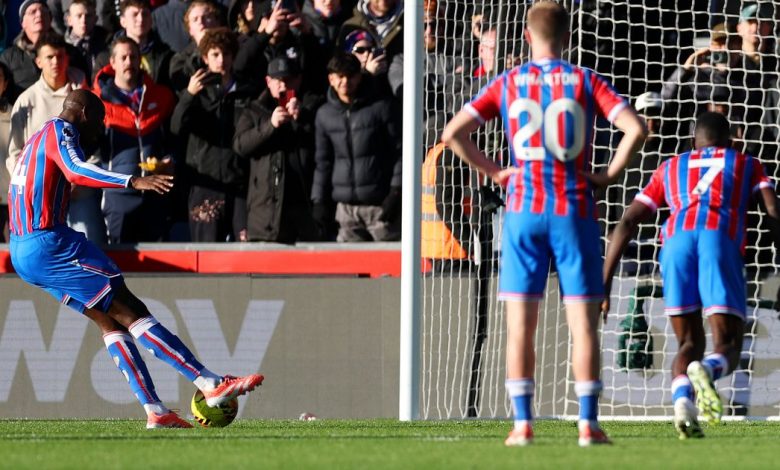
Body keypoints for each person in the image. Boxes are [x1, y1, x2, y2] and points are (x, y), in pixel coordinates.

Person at [441, 1, 647, 446]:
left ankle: (522, 424)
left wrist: (496, 172)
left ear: (527, 37)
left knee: (520, 323)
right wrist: (608, 175)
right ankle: (588, 424)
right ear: (568, 38)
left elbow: (452, 134)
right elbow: (636, 128)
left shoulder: (508, 81)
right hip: (574, 209)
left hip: (523, 211)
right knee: (583, 324)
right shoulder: (585, 80)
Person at [7, 89, 264, 428]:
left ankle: (155, 410)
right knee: (131, 309)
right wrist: (133, 180)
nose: (100, 129)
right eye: (99, 121)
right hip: (48, 241)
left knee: (109, 320)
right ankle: (210, 383)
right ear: (84, 114)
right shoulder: (61, 130)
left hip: (22, 248)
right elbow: (75, 170)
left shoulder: (38, 136)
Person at [602, 112, 780, 439]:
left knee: (688, 342)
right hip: (717, 239)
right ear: (731, 141)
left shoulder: (669, 166)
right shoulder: (745, 162)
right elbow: (772, 212)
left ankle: (683, 403)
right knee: (728, 344)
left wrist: (605, 281)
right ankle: (708, 369)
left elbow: (627, 222)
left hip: (675, 245)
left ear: (690, 141)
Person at [171, 28, 253, 242]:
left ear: (233, 56)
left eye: (226, 54)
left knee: (247, 249)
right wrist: (189, 95)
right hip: (205, 183)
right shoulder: (197, 91)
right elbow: (176, 127)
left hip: (239, 183)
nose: (221, 60)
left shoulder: (247, 91)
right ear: (205, 58)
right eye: (215, 54)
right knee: (206, 251)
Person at [94, 37, 176, 243]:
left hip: (155, 193)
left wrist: (170, 160)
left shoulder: (161, 97)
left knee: (159, 260)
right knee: (119, 258)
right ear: (112, 63)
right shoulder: (98, 101)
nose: (128, 62)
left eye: (133, 57)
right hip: (118, 194)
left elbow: (174, 138)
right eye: (123, 57)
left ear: (140, 60)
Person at [313, 52, 401, 242]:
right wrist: (318, 200)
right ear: (331, 79)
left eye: (350, 75)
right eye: (340, 76)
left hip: (380, 206)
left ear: (359, 76)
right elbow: (323, 162)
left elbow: (399, 152)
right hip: (345, 210)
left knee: (389, 259)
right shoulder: (324, 114)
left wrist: (396, 192)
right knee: (348, 261)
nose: (345, 81)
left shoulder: (381, 106)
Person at [234, 56, 323, 243]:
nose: (283, 86)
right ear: (268, 81)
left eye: (288, 80)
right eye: (277, 80)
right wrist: (270, 125)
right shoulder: (254, 110)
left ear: (298, 80)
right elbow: (240, 146)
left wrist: (303, 119)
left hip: (302, 210)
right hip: (264, 214)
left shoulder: (313, 108)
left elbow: (323, 148)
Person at [1, 0, 55, 94]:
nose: (39, 14)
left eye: (43, 11)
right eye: (32, 12)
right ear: (22, 23)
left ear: (50, 19)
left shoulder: (68, 52)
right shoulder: (8, 57)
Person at [64, 0, 111, 82]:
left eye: (88, 16)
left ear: (95, 19)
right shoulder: (62, 45)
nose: (84, 20)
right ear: (69, 20)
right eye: (79, 16)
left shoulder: (108, 41)